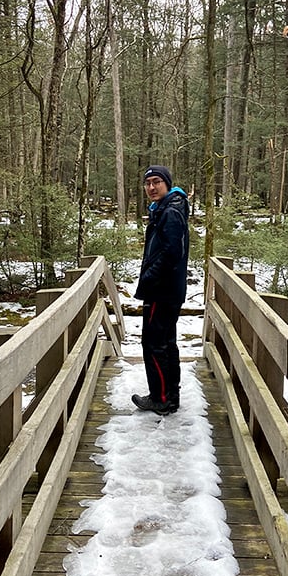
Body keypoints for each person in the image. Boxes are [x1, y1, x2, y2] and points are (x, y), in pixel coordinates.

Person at [132, 164, 189, 415]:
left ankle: (161, 398)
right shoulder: (167, 208)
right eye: (148, 183)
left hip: (161, 290)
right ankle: (169, 396)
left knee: (154, 343)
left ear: (167, 183)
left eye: (157, 182)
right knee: (165, 342)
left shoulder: (170, 212)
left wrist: (149, 277)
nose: (151, 187)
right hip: (167, 289)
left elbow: (172, 253)